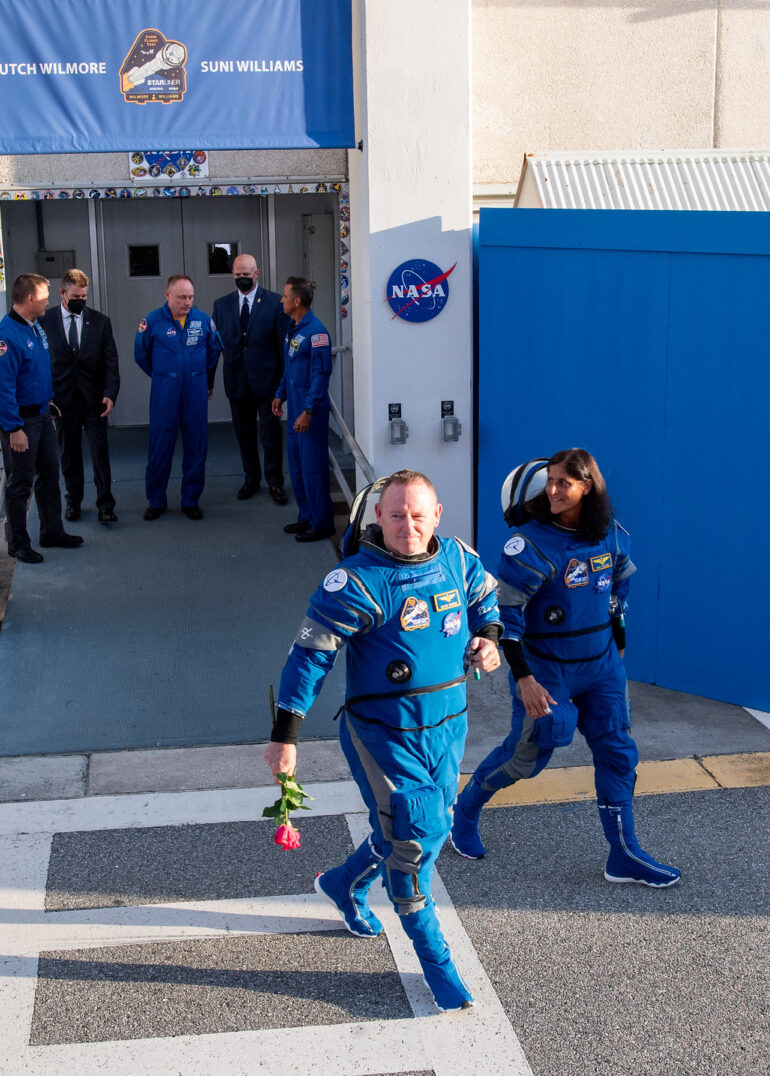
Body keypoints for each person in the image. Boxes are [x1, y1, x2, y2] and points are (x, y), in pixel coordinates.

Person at [263, 471, 503, 1012]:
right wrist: (287, 737)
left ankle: (344, 883)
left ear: (437, 514)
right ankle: (437, 965)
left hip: (448, 727)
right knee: (417, 842)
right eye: (396, 516)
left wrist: (488, 640)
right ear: (378, 517)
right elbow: (310, 658)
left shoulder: (459, 560)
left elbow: (488, 603)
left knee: (417, 829)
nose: (408, 526)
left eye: (418, 515)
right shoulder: (356, 582)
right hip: (382, 736)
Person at [450, 448, 680, 887]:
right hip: (547, 671)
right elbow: (507, 622)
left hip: (601, 666)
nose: (553, 491)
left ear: (587, 487)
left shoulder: (610, 534)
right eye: (550, 481)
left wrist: (620, 643)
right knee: (530, 757)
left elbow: (618, 591)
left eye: (564, 483)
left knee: (618, 753)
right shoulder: (530, 546)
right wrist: (525, 680)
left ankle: (623, 853)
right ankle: (466, 809)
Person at [0, 273, 83, 564]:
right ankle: (18, 543)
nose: (48, 302)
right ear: (30, 299)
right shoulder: (6, 337)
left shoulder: (35, 328)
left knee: (50, 475)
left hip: (41, 416)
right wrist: (13, 427)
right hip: (22, 424)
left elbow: (35, 373)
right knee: (20, 483)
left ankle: (52, 531)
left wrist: (47, 402)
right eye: (44, 298)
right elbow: (2, 389)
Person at [133, 274, 223, 521]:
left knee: (196, 446)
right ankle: (156, 500)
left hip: (194, 393)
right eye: (182, 297)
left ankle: (190, 500)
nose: (187, 302)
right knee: (160, 447)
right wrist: (163, 375)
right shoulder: (151, 322)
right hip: (165, 395)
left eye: (191, 297)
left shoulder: (204, 320)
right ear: (168, 295)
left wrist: (200, 375)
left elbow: (215, 350)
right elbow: (140, 355)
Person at [39, 268, 120, 523]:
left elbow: (111, 362)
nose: (81, 301)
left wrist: (110, 393)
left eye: (84, 296)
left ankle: (106, 504)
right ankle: (73, 501)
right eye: (76, 295)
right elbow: (39, 364)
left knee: (99, 453)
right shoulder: (45, 321)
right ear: (62, 293)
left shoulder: (100, 321)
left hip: (94, 399)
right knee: (69, 454)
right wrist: (46, 398)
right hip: (62, 401)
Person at [213, 254, 290, 505]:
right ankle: (251, 479)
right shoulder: (221, 305)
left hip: (267, 383)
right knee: (243, 434)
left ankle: (275, 482)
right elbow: (215, 346)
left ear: (257, 274)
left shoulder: (276, 303)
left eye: (246, 275)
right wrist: (208, 381)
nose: (242, 279)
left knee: (270, 435)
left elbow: (282, 348)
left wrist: (282, 386)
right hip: (236, 381)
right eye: (238, 275)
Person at [272, 277, 334, 542]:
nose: (282, 300)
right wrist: (280, 394)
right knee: (296, 467)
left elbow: (321, 375)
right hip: (295, 406)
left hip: (310, 412)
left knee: (312, 468)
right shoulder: (293, 328)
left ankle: (322, 523)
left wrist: (308, 411)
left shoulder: (317, 332)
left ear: (297, 301)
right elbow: (290, 367)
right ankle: (306, 516)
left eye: (285, 296)